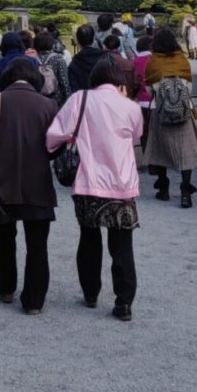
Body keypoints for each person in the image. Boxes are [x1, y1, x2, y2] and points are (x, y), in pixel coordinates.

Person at [46, 57, 143, 321]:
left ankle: (91, 293)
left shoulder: (80, 99)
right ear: (120, 83)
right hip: (121, 183)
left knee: (88, 238)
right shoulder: (130, 107)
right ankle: (124, 302)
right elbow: (136, 136)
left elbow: (54, 136)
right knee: (122, 243)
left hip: (88, 181)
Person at [0, 57, 60, 314]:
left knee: (4, 234)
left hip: (3, 179)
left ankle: (6, 288)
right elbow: (57, 142)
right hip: (38, 182)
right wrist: (46, 156)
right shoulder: (48, 104)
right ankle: (33, 301)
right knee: (38, 243)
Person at [142, 27, 197, 207]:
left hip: (160, 110)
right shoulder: (182, 60)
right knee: (185, 151)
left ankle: (163, 189)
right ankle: (186, 191)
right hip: (183, 111)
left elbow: (148, 90)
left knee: (160, 151)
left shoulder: (152, 62)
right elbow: (189, 89)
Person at [66, 24, 108, 94]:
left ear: (78, 40)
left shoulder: (73, 64)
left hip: (83, 101)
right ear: (93, 39)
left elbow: (74, 91)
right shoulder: (106, 58)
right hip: (103, 100)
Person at [34, 31, 70, 101]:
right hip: (56, 100)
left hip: (37, 101)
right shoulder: (58, 59)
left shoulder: (32, 60)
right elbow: (64, 83)